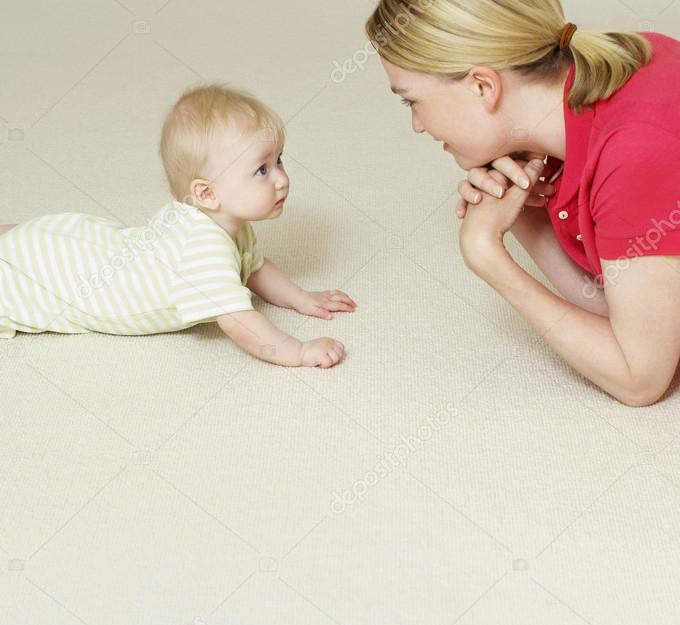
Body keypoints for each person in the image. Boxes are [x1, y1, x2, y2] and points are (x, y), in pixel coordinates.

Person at [366, 0, 680, 406]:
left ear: (483, 86)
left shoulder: (634, 151)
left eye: (411, 101)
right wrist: (520, 210)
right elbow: (626, 315)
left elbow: (639, 378)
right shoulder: (634, 57)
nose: (417, 125)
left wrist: (488, 257)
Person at [0, 85, 356, 369]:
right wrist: (298, 351)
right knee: (21, 277)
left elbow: (254, 268)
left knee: (35, 242)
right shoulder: (203, 247)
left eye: (278, 160)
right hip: (78, 280)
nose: (281, 179)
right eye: (262, 170)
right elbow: (239, 321)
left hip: (90, 248)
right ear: (207, 193)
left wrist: (300, 298)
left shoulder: (227, 223)